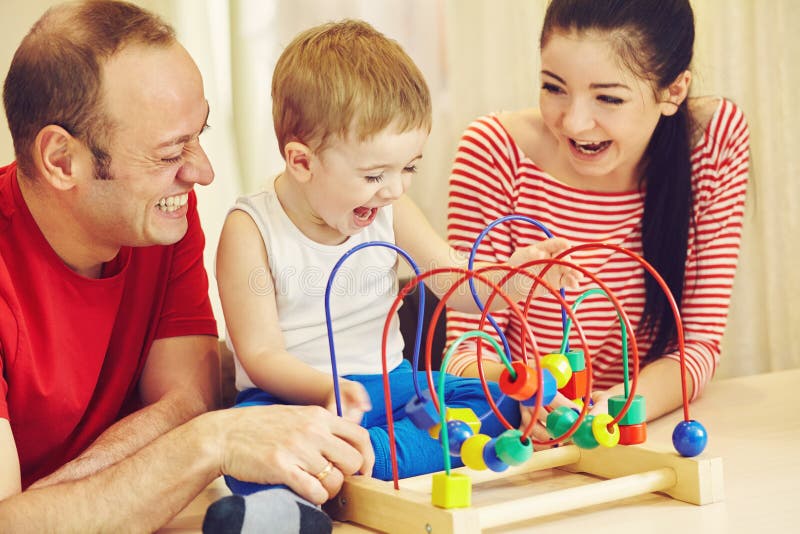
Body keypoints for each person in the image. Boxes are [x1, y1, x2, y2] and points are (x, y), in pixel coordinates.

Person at [0, 2, 374, 533]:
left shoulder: (159, 220)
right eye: (170, 151)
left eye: (200, 134)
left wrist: (53, 504)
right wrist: (213, 442)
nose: (201, 171)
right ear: (62, 160)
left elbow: (188, 400)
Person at [211, 19, 580, 530]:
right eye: (373, 175)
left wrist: (514, 281)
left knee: (499, 397)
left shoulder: (388, 210)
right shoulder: (250, 230)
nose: (394, 190)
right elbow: (260, 354)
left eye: (409, 168)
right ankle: (295, 501)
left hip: (395, 388)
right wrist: (327, 389)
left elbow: (453, 281)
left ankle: (352, 463)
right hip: (295, 400)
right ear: (301, 160)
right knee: (254, 443)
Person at [445, 0, 749, 434]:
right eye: (554, 87)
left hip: (634, 438)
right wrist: (528, 395)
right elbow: (464, 352)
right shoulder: (495, 153)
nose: (574, 121)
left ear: (674, 92)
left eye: (608, 97)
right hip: (523, 439)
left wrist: (619, 408)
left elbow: (697, 346)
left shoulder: (713, 143)